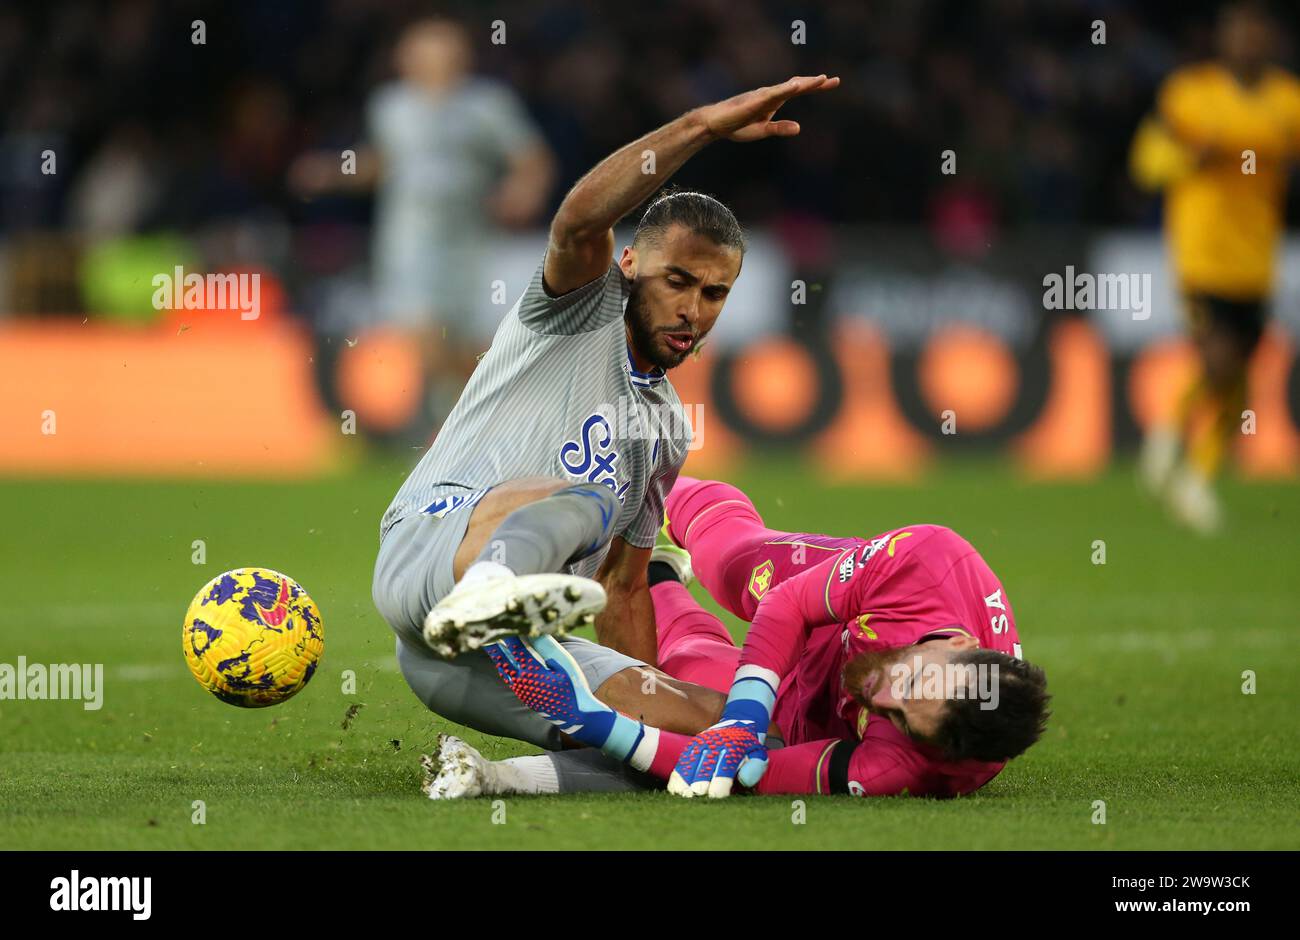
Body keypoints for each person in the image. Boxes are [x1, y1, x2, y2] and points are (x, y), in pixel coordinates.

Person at [369, 75, 842, 787]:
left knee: (728, 741)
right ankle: (492, 587)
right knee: (581, 500)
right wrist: (702, 127)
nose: (692, 309)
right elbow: (579, 222)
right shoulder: (578, 312)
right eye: (676, 280)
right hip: (431, 555)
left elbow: (623, 592)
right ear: (630, 265)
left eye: (714, 293)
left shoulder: (663, 432)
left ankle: (492, 779)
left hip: (481, 664)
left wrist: (649, 704)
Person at [424, 476, 1051, 799]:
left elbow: (749, 771)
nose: (881, 695)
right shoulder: (930, 563)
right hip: (828, 611)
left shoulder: (904, 767)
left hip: (816, 715)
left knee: (697, 694)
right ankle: (649, 488)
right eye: (911, 677)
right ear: (959, 644)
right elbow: (787, 607)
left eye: (899, 715)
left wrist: (594, 721)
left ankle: (660, 575)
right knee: (739, 573)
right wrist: (752, 713)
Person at [291, 16, 556, 427]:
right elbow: (381, 164)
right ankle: (450, 423)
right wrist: (333, 172)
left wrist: (522, 192)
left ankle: (470, 410)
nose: (436, 60)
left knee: (465, 340)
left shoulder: (487, 103)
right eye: (425, 50)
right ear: (406, 57)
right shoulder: (390, 105)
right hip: (408, 240)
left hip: (468, 239)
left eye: (444, 49)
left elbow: (532, 159)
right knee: (420, 331)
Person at [1133, 2, 1300, 533]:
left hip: (1256, 261)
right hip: (1201, 255)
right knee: (1219, 361)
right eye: (1240, 29)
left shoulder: (1289, 103)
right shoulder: (1190, 95)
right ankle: (1176, 455)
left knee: (1239, 383)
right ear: (1224, 37)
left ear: (1270, 39)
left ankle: (1189, 467)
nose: (1249, 40)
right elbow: (1146, 161)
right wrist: (1189, 160)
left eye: (1258, 31)